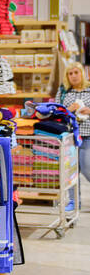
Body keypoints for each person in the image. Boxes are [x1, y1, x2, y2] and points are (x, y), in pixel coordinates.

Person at [58, 61, 90, 207]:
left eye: (76, 72)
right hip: (69, 136)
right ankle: (73, 201)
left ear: (82, 74)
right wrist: (69, 109)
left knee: (86, 166)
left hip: (87, 135)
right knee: (71, 169)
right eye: (70, 74)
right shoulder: (64, 91)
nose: (74, 76)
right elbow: (57, 111)